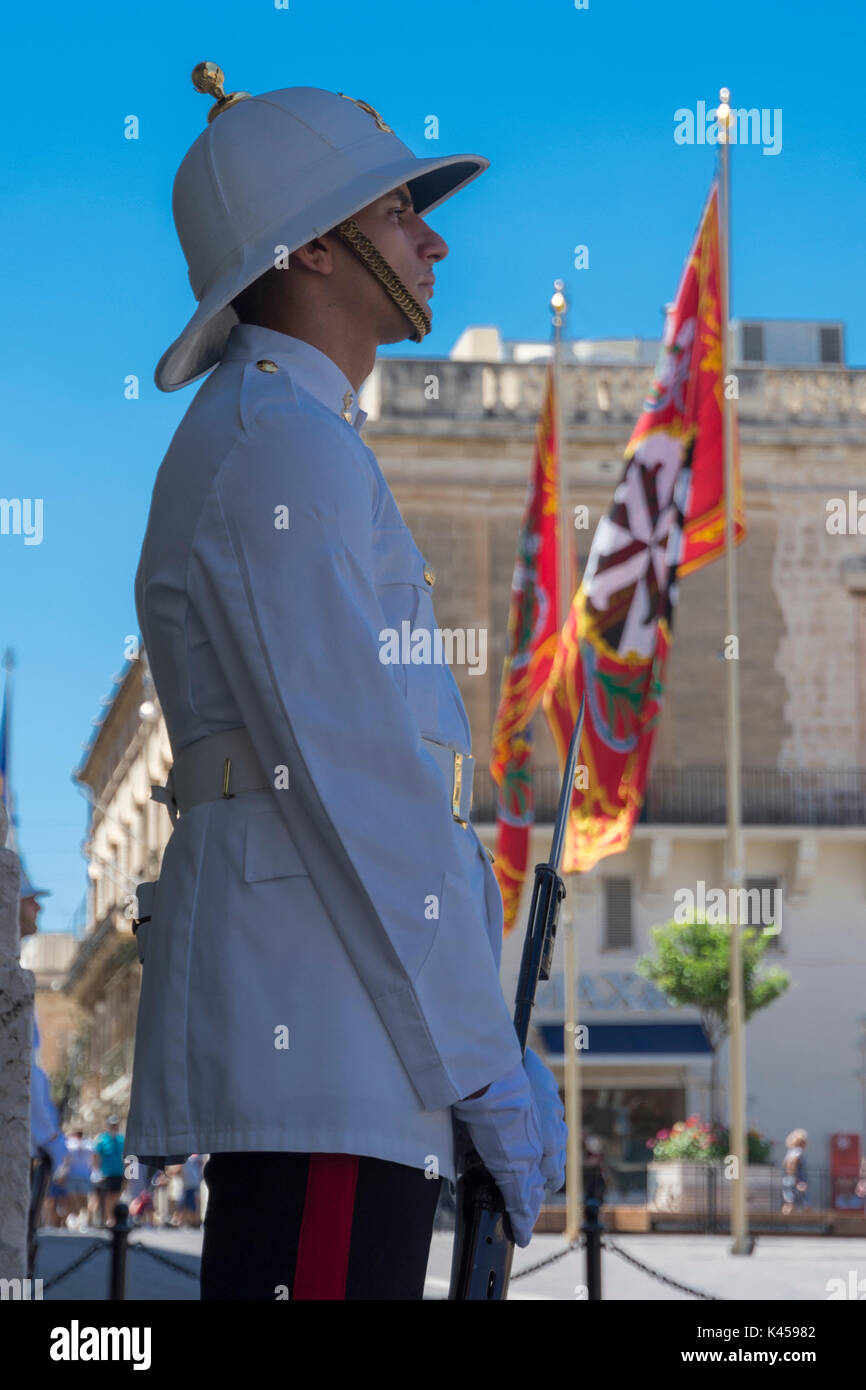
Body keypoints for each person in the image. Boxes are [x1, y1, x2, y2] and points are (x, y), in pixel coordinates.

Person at [124, 62, 566, 1301]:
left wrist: (475, 1050)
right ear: (308, 250)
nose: (429, 241)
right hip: (326, 1041)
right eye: (393, 215)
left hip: (351, 1044)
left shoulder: (293, 436)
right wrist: (482, 1063)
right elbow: (354, 779)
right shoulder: (279, 443)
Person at [91, 1116, 126, 1228]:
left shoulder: (122, 1139)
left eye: (116, 1125)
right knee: (107, 1197)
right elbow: (95, 1156)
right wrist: (96, 1172)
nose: (114, 1127)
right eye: (112, 1125)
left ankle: (112, 1218)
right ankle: (108, 1219)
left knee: (116, 1196)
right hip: (106, 1174)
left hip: (119, 1173)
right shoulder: (102, 1139)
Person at [60, 1130, 95, 1229]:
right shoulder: (88, 1144)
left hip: (75, 1176)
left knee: (76, 1200)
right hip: (81, 1176)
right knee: (81, 1200)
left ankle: (78, 1220)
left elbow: (65, 1161)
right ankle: (80, 1220)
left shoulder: (70, 1144)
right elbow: (94, 1159)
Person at [781, 1128, 808, 1213]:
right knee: (799, 1199)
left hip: (788, 1178)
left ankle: (785, 1217)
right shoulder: (797, 1152)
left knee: (789, 1200)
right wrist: (796, 1179)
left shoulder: (790, 1152)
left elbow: (785, 1164)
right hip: (795, 1178)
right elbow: (792, 1164)